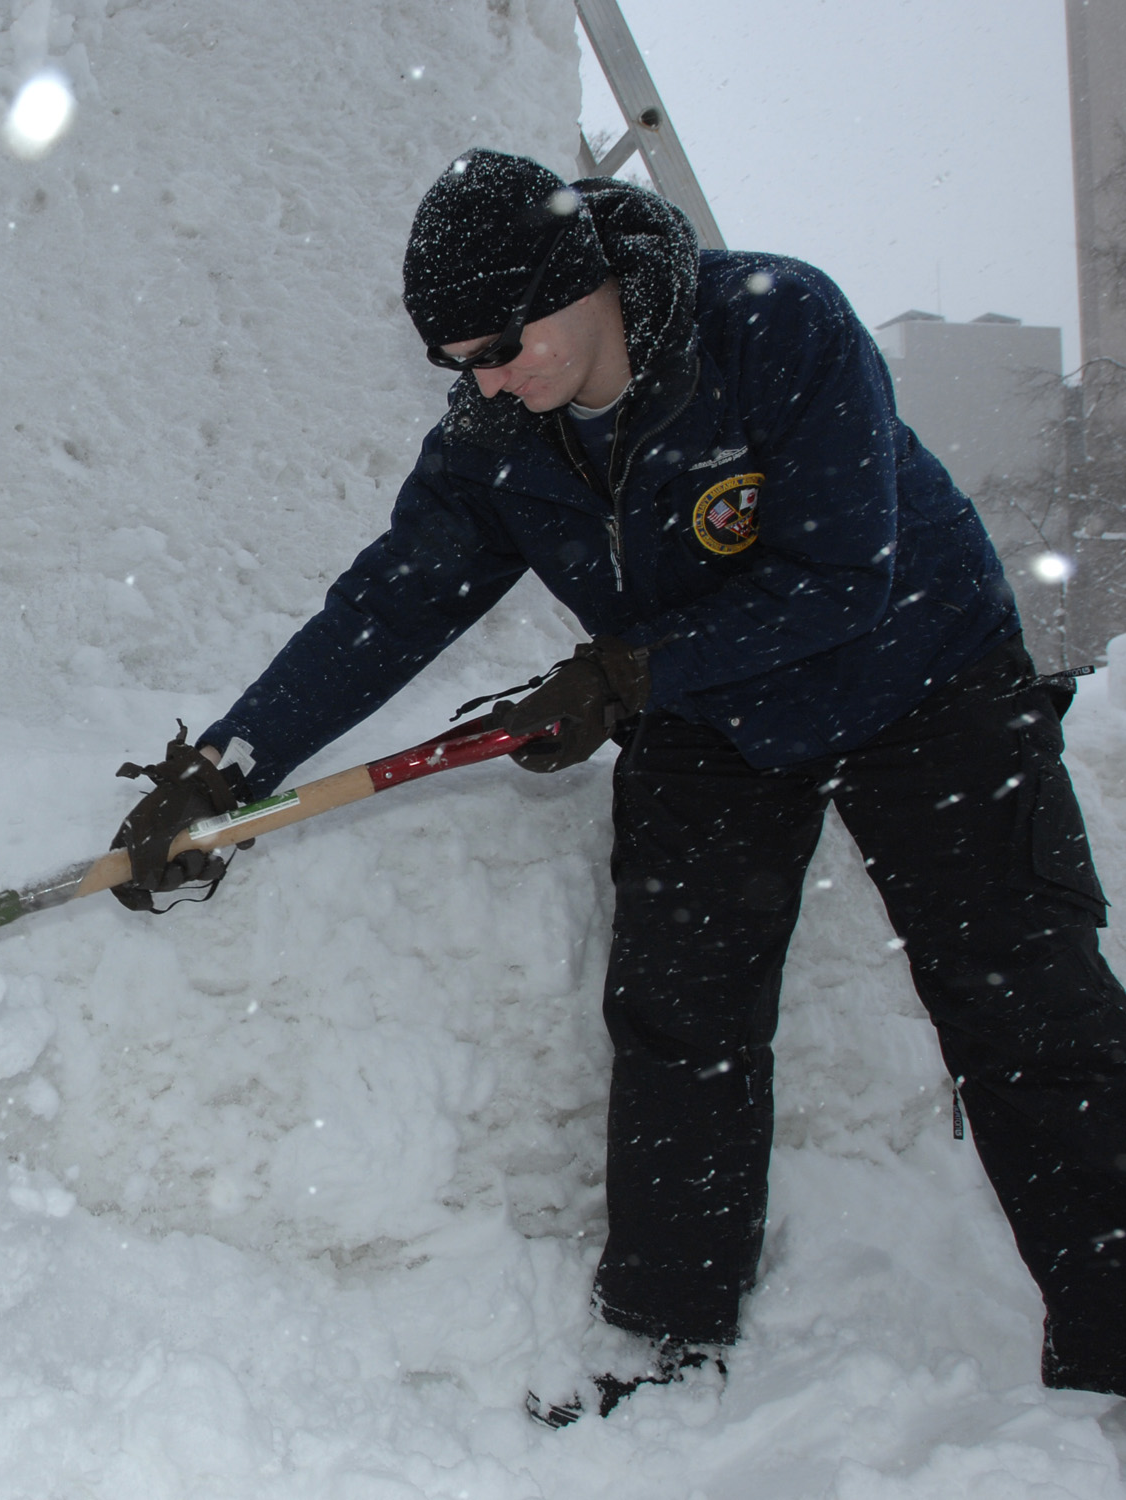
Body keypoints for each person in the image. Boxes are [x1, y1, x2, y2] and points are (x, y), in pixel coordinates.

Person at [111, 148, 1126, 1423]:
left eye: (500, 344)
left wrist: (628, 671)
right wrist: (227, 764)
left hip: (922, 674)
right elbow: (388, 604)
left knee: (1025, 1009)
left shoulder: (770, 324)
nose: (489, 381)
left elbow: (841, 573)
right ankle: (666, 1335)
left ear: (577, 276)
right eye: (461, 363)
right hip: (702, 706)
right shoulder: (497, 438)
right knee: (680, 1020)